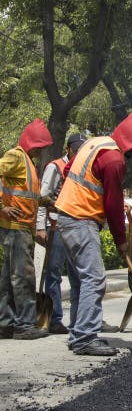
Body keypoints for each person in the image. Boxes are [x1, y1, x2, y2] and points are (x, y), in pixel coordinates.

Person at [55, 113, 132, 355]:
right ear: (130, 144)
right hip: (81, 220)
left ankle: (78, 333)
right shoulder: (115, 160)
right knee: (94, 279)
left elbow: (68, 170)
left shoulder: (94, 143)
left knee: (81, 281)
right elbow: (113, 204)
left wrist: (80, 195)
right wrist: (121, 241)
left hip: (66, 216)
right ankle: (85, 338)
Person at [0, 119, 53, 340]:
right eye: (39, 146)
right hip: (16, 228)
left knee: (8, 278)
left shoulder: (28, 162)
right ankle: (24, 325)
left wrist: (47, 202)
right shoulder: (15, 156)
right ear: (31, 142)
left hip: (20, 228)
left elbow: (27, 195)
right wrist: (2, 207)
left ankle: (5, 323)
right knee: (24, 276)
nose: (40, 151)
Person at [35, 133, 86, 334]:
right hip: (55, 226)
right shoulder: (55, 167)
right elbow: (43, 198)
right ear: (68, 149)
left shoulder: (82, 167)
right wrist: (40, 227)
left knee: (77, 275)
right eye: (76, 150)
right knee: (54, 273)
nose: (78, 153)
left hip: (74, 227)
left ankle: (79, 320)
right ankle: (54, 319)